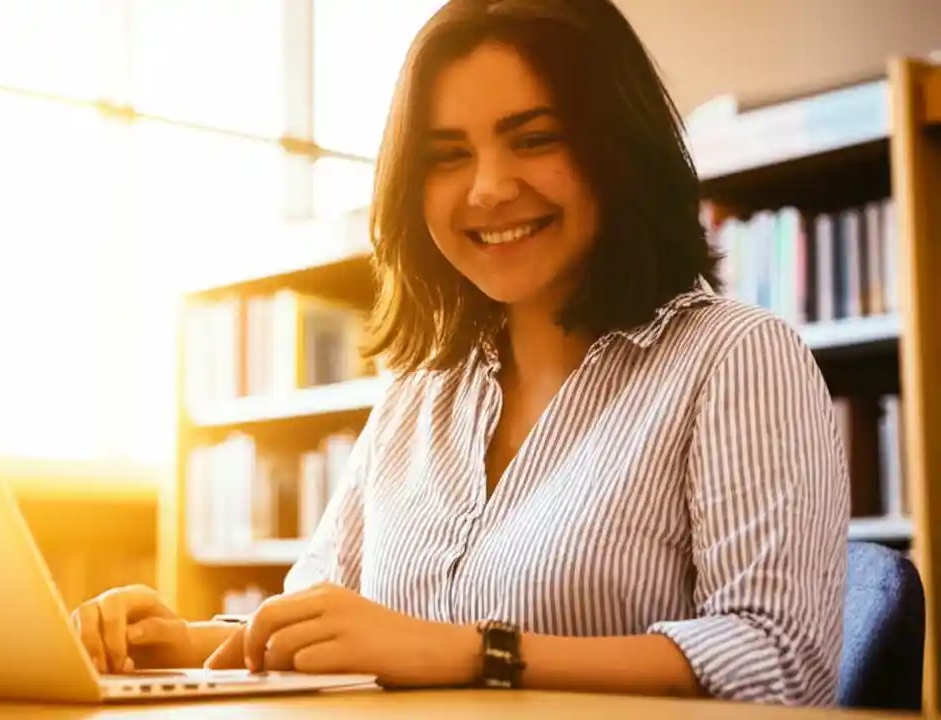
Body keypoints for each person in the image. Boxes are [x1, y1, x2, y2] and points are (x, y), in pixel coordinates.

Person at [72, 0, 848, 705]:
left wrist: (482, 653)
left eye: (535, 139)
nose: (487, 188)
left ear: (620, 149)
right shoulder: (418, 391)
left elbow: (778, 659)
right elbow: (329, 624)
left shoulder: (736, 357)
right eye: (447, 155)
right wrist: (183, 646)